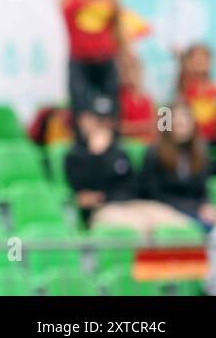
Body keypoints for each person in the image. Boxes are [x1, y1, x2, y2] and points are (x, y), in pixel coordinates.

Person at [63, 97, 191, 236]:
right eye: (98, 121)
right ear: (84, 121)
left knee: (177, 223)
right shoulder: (75, 156)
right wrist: (97, 155)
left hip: (133, 203)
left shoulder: (119, 152)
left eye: (108, 121)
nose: (104, 126)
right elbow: (82, 192)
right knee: (138, 227)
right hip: (103, 209)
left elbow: (132, 183)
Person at [139, 100, 213, 230]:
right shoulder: (154, 153)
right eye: (177, 121)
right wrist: (189, 208)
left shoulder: (200, 152)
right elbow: (152, 193)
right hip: (164, 212)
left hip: (193, 210)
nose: (182, 125)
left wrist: (205, 205)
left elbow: (201, 190)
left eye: (186, 120)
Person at [176, 42, 216, 142]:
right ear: (188, 63)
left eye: (203, 58)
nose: (199, 62)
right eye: (195, 58)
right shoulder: (186, 87)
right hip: (193, 141)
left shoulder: (212, 88)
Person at [118, 55, 157, 141]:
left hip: (148, 145)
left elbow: (156, 125)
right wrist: (143, 126)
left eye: (137, 71)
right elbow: (119, 126)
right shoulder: (120, 98)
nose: (134, 76)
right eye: (129, 72)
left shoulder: (148, 98)